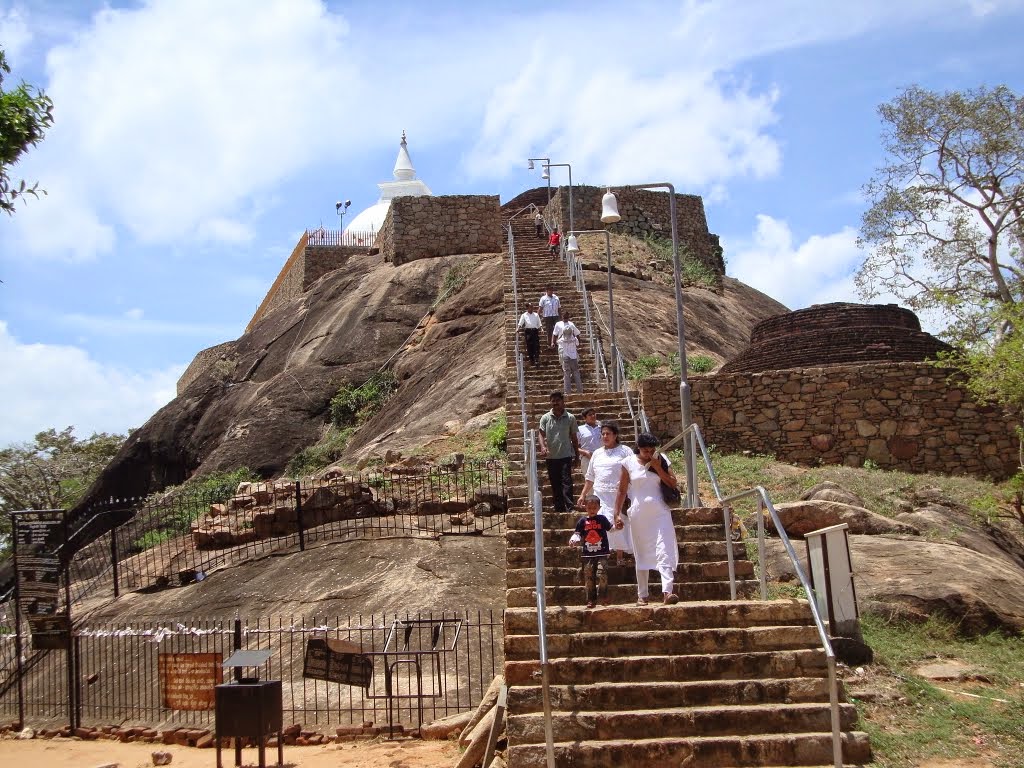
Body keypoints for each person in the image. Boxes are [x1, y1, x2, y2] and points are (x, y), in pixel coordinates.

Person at [614, 432, 681, 606]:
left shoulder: (661, 459)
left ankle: (668, 591)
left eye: (652, 449)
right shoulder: (628, 463)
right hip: (638, 515)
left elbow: (673, 483)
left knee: (664, 549)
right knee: (641, 553)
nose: (649, 453)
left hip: (660, 512)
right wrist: (616, 514)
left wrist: (658, 467)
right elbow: (622, 491)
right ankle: (642, 594)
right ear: (639, 448)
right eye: (645, 450)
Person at [576, 421, 633, 565]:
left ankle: (620, 556)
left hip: (618, 494)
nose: (605, 436)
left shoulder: (625, 451)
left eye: (608, 433)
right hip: (600, 495)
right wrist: (583, 494)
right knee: (601, 523)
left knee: (619, 522)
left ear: (615, 435)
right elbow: (590, 477)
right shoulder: (597, 453)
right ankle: (603, 555)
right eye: (603, 434)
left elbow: (633, 470)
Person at [538, 391, 580, 513]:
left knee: (566, 481)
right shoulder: (545, 418)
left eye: (558, 400)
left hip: (565, 455)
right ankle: (558, 507)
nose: (555, 403)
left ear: (563, 401)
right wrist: (542, 446)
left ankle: (569, 507)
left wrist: (576, 456)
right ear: (550, 402)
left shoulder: (570, 418)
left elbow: (574, 438)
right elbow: (541, 434)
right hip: (551, 456)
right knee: (554, 482)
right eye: (553, 400)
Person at [570, 494, 611, 608]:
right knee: (589, 577)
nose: (592, 510)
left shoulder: (602, 519)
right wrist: (573, 540)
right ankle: (591, 599)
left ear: (599, 507)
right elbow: (577, 534)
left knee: (602, 573)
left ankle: (603, 595)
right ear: (585, 507)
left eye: (594, 508)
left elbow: (610, 528)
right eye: (589, 508)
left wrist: (618, 526)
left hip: (602, 552)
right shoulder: (582, 521)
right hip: (588, 554)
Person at [576, 409, 602, 476]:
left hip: (601, 457)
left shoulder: (602, 429)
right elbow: (574, 445)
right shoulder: (580, 429)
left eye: (594, 414)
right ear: (584, 418)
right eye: (590, 415)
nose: (593, 416)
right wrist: (585, 452)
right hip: (587, 458)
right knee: (589, 481)